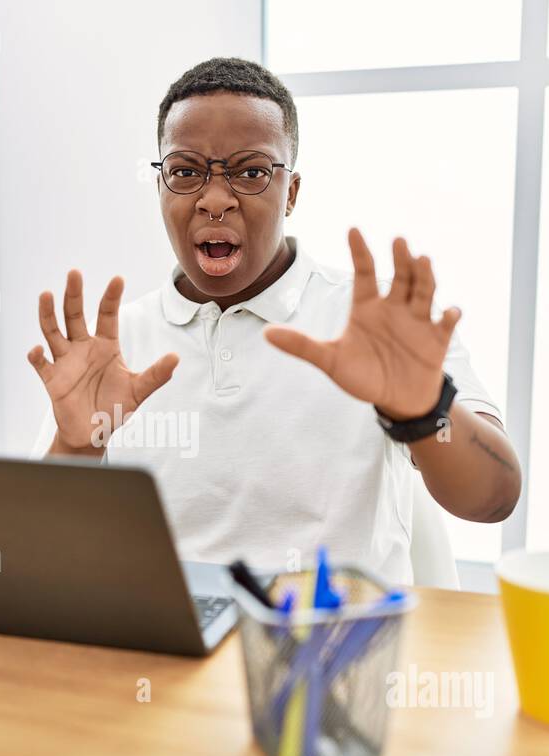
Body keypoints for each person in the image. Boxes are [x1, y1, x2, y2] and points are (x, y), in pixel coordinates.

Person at [28, 57, 520, 584]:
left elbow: (494, 498)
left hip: (332, 647)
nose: (215, 200)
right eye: (186, 171)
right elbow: (39, 548)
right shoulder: (117, 343)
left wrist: (424, 409)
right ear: (161, 186)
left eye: (251, 171)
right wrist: (78, 446)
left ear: (291, 191)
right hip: (166, 648)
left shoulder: (376, 323)